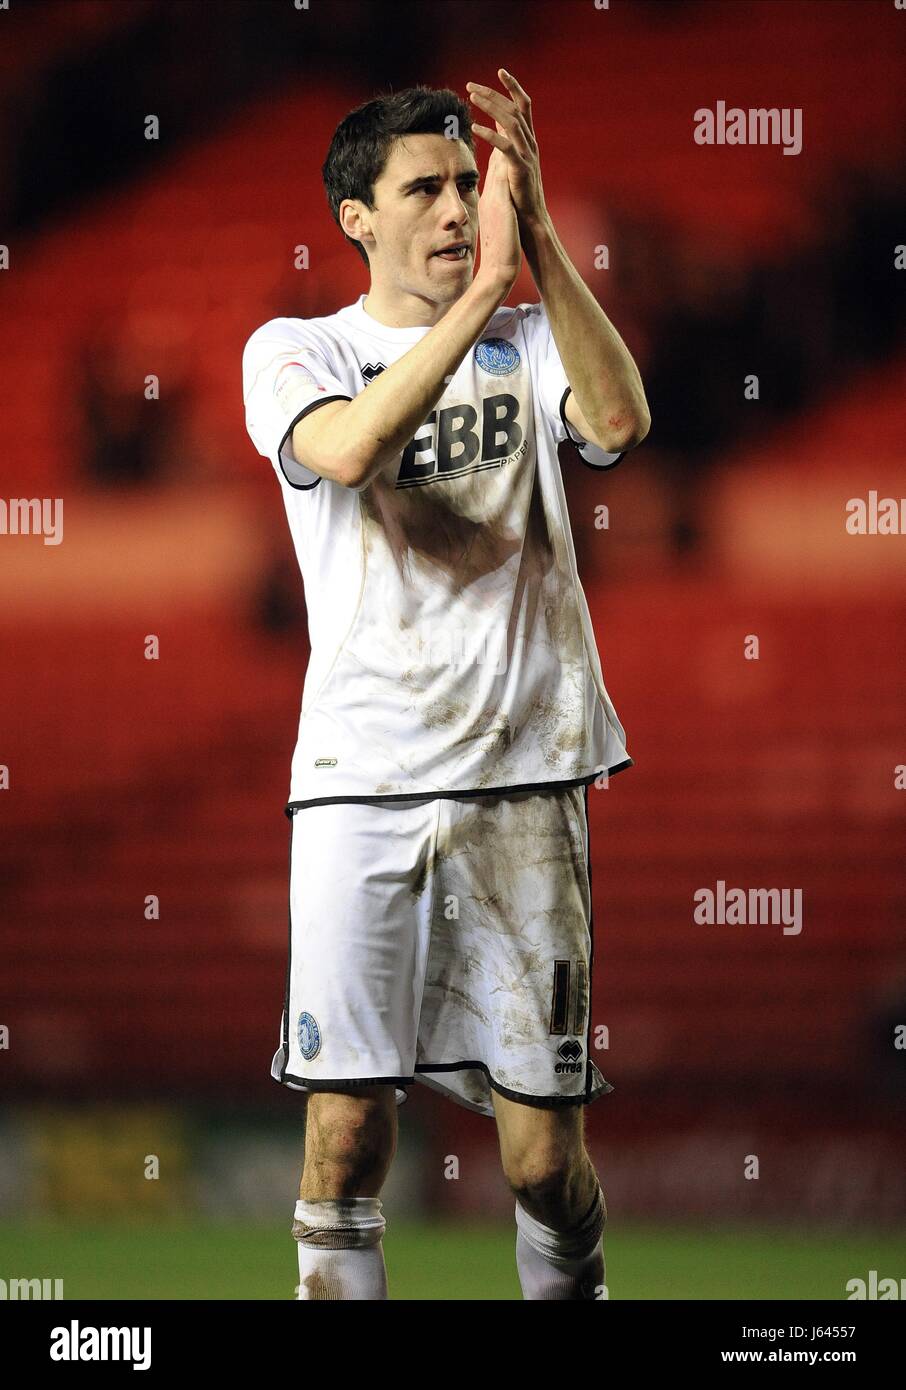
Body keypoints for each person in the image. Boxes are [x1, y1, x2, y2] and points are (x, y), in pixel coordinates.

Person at [241, 71, 650, 1301]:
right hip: (362, 784)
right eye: (426, 187)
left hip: (527, 779)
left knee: (538, 1162)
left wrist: (538, 258)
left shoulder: (528, 343)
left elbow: (621, 423)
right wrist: (478, 300)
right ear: (355, 217)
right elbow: (354, 449)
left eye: (469, 184)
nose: (458, 207)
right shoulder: (298, 350)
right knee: (347, 1137)